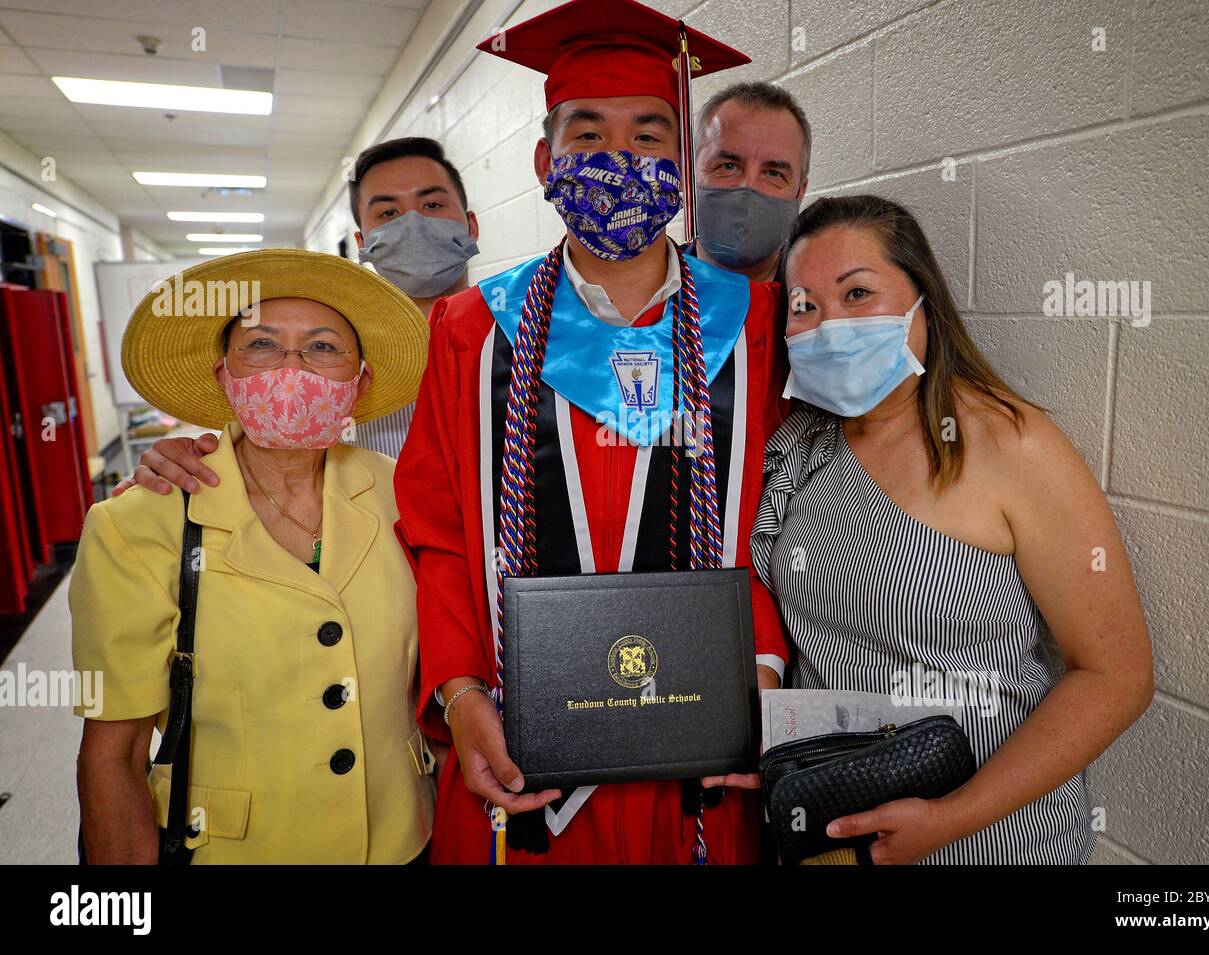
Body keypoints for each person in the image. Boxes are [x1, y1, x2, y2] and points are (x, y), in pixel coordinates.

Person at [394, 0, 789, 864]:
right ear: (545, 159)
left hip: (699, 756)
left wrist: (756, 683)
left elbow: (772, 527)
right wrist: (462, 698)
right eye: (588, 135)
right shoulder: (471, 329)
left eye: (649, 136)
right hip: (520, 754)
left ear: (681, 163)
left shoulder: (753, 324)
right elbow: (438, 536)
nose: (619, 158)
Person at [750, 195, 1155, 864]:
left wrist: (952, 817)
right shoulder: (793, 448)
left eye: (858, 293)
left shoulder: (1012, 446)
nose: (831, 325)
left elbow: (1117, 676)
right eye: (806, 306)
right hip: (832, 824)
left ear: (925, 307)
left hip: (993, 836)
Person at [72, 249, 436, 863]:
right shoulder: (137, 524)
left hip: (401, 837)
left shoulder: (408, 496)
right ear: (222, 375)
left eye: (323, 347)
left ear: (360, 382)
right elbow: (114, 753)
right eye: (262, 345)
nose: (292, 366)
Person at [113, 136, 478, 492]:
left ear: (471, 225)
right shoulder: (328, 371)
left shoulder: (525, 336)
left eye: (432, 205)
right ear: (363, 244)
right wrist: (176, 465)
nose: (412, 223)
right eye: (388, 213)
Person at [692, 81, 811, 285]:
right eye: (728, 166)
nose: (749, 187)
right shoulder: (646, 294)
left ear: (800, 193)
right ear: (688, 177)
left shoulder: (820, 303)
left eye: (773, 173)